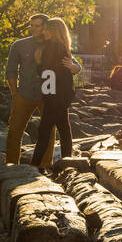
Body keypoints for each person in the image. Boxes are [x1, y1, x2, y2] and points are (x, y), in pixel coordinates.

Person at [6, 14, 80, 167]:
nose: (33, 29)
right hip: (25, 94)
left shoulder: (54, 44)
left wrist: (75, 67)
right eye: (31, 25)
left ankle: (43, 167)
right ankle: (12, 166)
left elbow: (72, 62)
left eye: (38, 26)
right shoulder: (19, 45)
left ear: (47, 27)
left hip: (47, 95)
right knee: (14, 132)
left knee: (49, 133)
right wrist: (15, 93)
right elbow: (11, 70)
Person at [28, 18, 78, 168]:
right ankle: (66, 164)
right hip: (60, 95)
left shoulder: (53, 47)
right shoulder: (62, 47)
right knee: (63, 130)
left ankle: (35, 166)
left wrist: (38, 63)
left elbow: (48, 73)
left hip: (54, 95)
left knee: (45, 131)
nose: (44, 32)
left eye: (47, 29)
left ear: (54, 31)